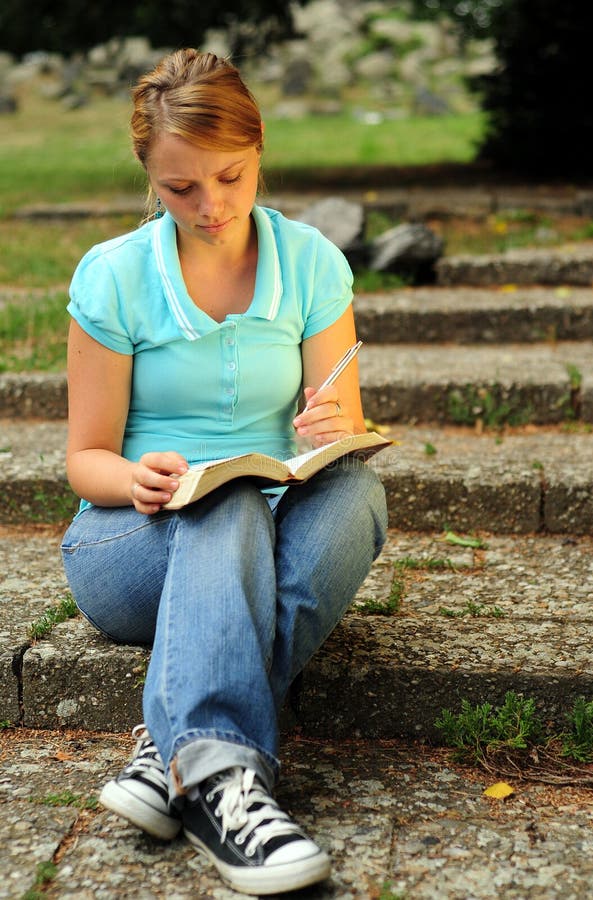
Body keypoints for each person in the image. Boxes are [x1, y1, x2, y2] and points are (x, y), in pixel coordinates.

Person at [60, 48, 387, 896]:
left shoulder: (312, 262)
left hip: (280, 527)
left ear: (259, 149)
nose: (211, 207)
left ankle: (167, 735)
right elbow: (83, 461)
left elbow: (341, 425)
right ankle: (218, 780)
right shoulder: (116, 276)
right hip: (129, 543)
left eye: (230, 177)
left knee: (361, 495)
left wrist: (330, 425)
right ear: (150, 177)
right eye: (181, 189)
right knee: (231, 494)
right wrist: (136, 477)